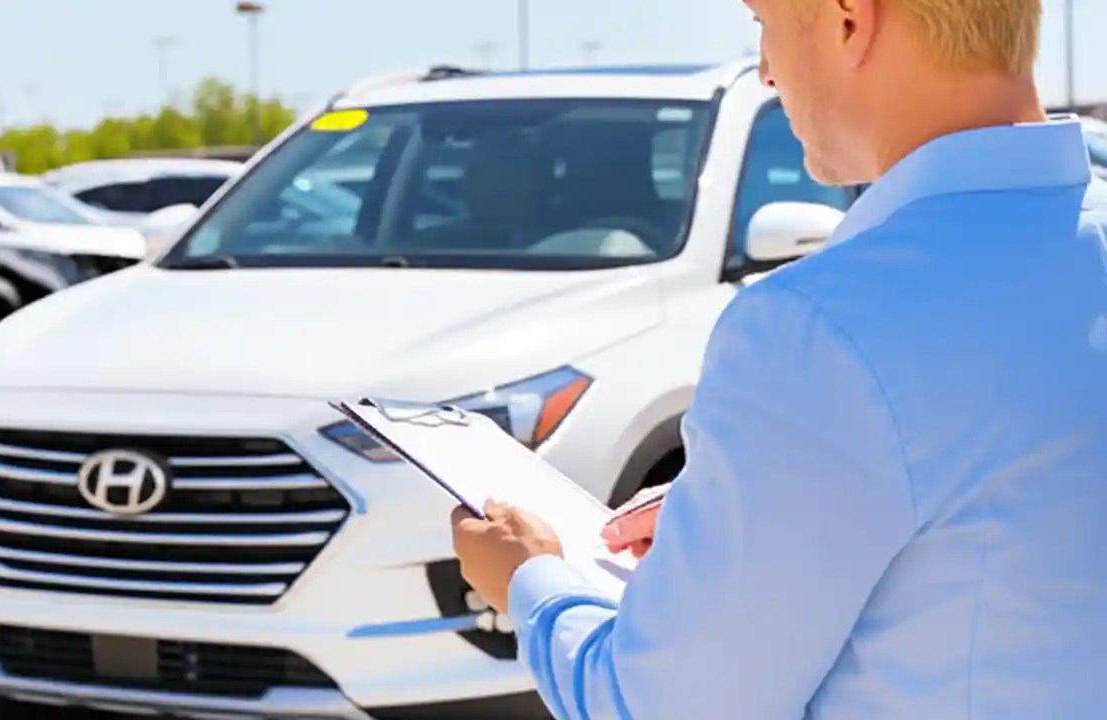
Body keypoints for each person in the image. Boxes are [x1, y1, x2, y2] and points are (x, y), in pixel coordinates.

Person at [451, 0, 1107, 718]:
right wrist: (772, 497)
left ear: (850, 19)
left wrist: (531, 581)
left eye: (764, 22)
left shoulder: (819, 330)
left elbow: (664, 707)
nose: (764, 69)